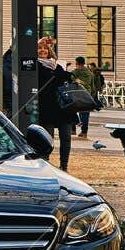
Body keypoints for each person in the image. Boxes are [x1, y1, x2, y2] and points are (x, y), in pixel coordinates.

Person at [34, 36, 79, 171]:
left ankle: (64, 166)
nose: (43, 50)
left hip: (62, 107)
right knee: (47, 138)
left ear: (50, 51)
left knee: (66, 138)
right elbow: (52, 78)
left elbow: (66, 77)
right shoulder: (35, 65)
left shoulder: (56, 65)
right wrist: (60, 76)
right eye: (39, 48)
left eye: (45, 48)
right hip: (47, 106)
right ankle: (45, 164)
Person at [69, 56, 103, 137]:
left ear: (77, 63)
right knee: (85, 114)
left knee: (71, 111)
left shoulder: (75, 72)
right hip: (87, 95)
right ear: (84, 63)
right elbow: (93, 87)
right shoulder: (90, 73)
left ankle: (73, 130)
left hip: (76, 95)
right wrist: (92, 96)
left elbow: (70, 80)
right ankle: (84, 132)